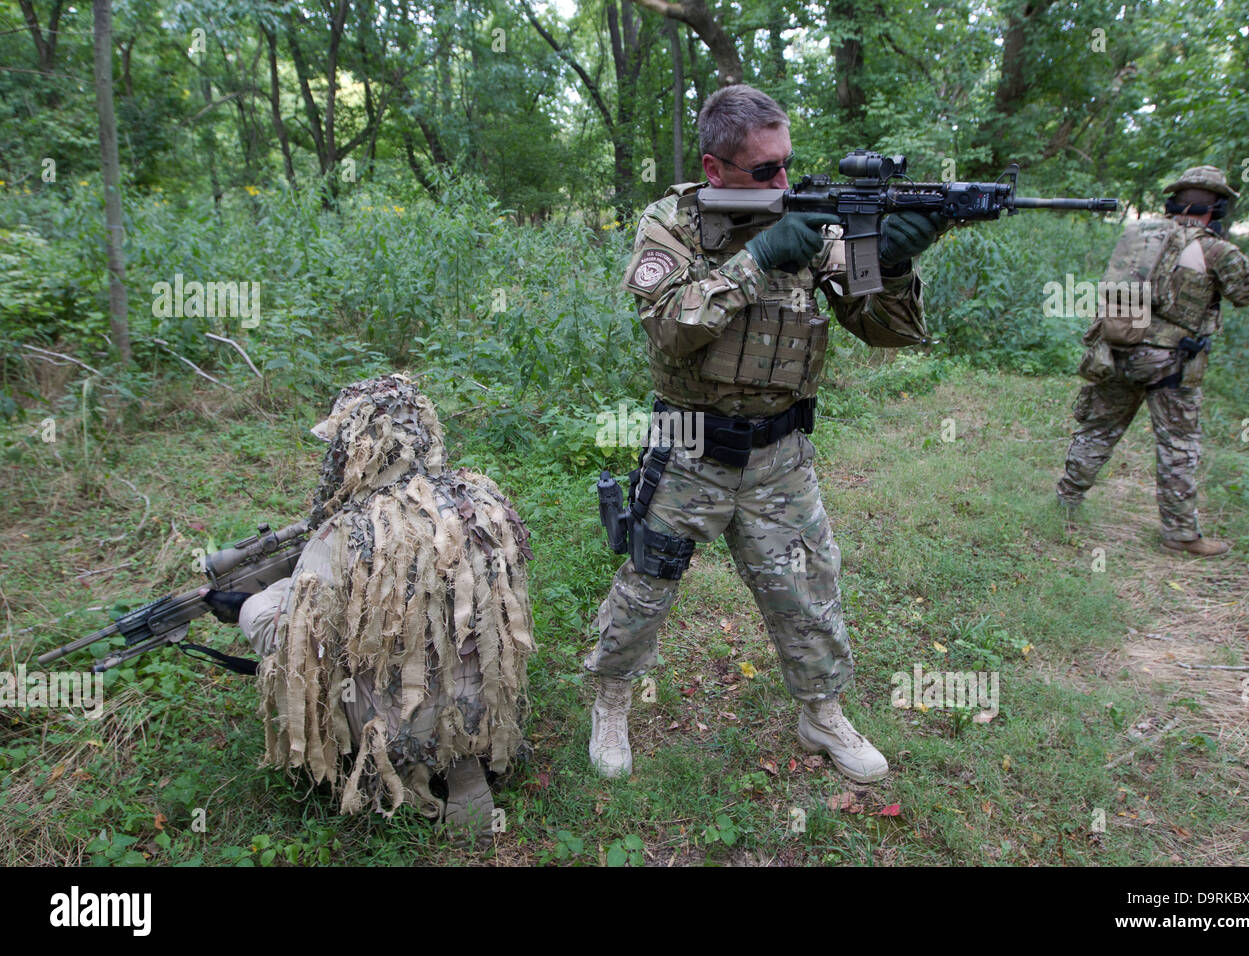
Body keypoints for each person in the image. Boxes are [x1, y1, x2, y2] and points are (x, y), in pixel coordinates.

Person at [586, 84, 945, 782]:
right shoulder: (674, 221)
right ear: (716, 169)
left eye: (787, 164)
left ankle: (822, 712)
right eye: (765, 172)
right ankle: (612, 699)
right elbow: (668, 328)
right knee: (649, 579)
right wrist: (758, 260)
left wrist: (893, 266)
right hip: (691, 444)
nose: (785, 181)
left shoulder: (820, 224)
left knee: (807, 584)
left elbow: (882, 331)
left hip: (781, 450)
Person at [200, 375, 535, 832]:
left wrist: (247, 605)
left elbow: (298, 644)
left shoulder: (347, 534)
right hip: (487, 713)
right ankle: (465, 762)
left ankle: (398, 762)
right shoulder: (485, 504)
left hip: (397, 733)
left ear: (357, 445)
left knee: (283, 628)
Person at [1056, 165, 1249, 555]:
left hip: (1116, 346)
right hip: (1171, 360)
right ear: (1216, 210)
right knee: (1178, 445)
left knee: (1098, 429)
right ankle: (1181, 535)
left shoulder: (1139, 236)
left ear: (1172, 203)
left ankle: (1066, 500)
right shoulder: (1217, 250)